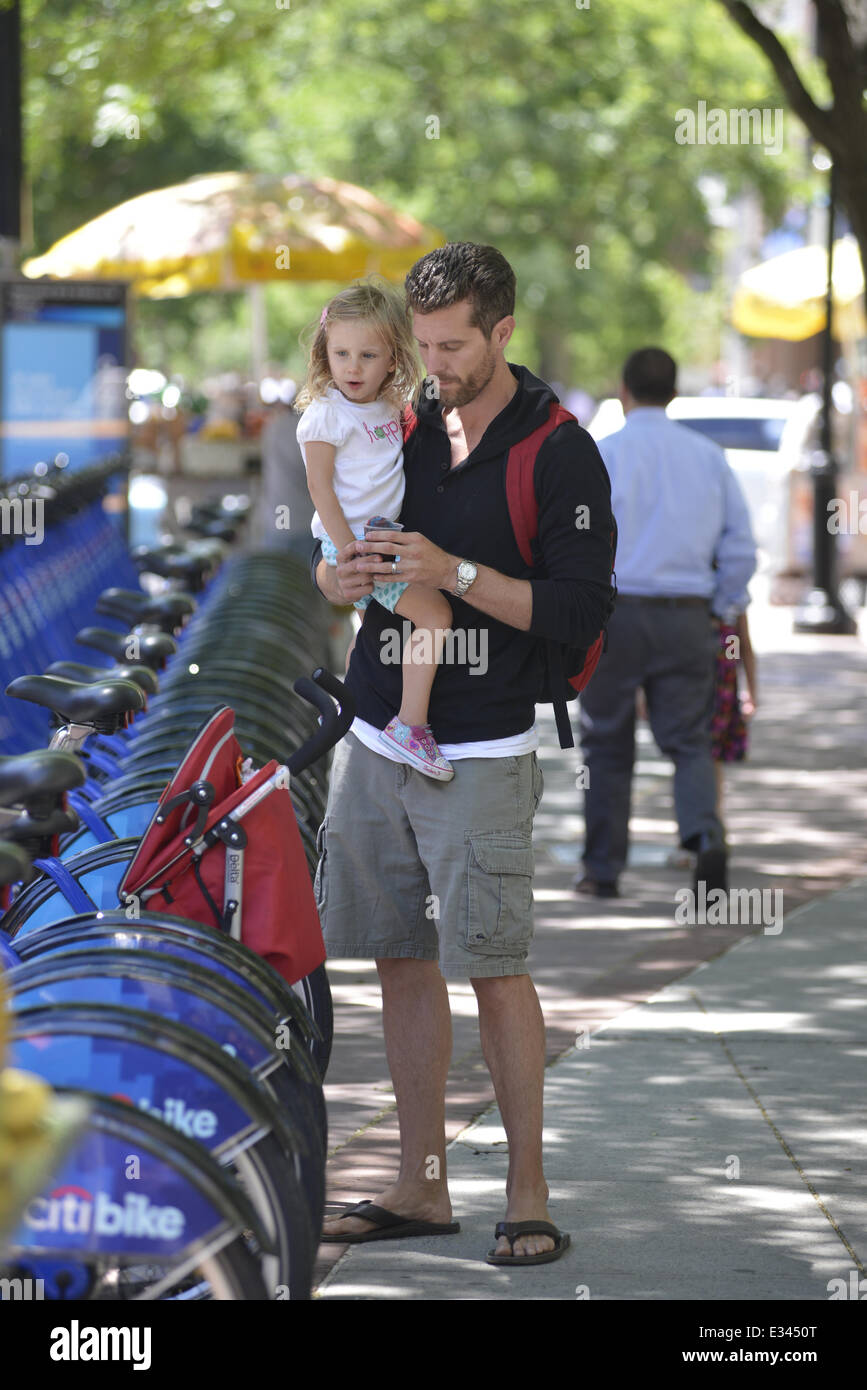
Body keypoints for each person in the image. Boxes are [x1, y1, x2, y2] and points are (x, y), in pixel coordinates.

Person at [310, 242, 614, 1264]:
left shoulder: (558, 448)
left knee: (493, 964)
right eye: (422, 344)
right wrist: (337, 578)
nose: (431, 365)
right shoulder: (400, 421)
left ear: (502, 334)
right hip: (375, 725)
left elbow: (575, 612)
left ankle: (527, 1193)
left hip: (483, 740)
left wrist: (458, 568)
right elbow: (352, 544)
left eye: (451, 347)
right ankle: (420, 1184)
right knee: (399, 958)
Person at [576, 347, 757, 899]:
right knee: (689, 740)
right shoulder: (709, 458)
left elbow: (577, 540)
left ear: (624, 392)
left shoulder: (601, 455)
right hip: (687, 617)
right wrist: (721, 604)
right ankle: (704, 838)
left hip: (616, 616)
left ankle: (603, 872)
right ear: (673, 393)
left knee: (606, 744)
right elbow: (741, 549)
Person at [296, 279, 455, 780]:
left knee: (372, 631)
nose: (352, 366)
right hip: (361, 543)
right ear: (325, 353)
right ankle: (411, 725)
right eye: (340, 353)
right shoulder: (325, 415)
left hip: (380, 537)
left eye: (368, 354)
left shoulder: (389, 408)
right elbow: (320, 489)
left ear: (392, 359)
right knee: (436, 616)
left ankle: (355, 707)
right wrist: (349, 554)